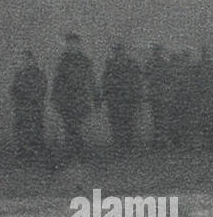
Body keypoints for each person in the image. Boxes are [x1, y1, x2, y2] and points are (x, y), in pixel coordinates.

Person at [51, 32, 97, 164]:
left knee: (77, 126)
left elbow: (91, 81)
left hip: (80, 99)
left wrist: (95, 97)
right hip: (66, 100)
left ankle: (78, 153)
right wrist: (55, 98)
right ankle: (72, 154)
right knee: (69, 126)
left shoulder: (84, 61)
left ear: (79, 45)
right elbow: (57, 81)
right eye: (69, 44)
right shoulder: (63, 61)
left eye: (74, 44)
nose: (72, 46)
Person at [101, 42, 143, 154]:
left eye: (121, 50)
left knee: (129, 122)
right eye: (116, 51)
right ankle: (118, 145)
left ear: (124, 51)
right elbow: (105, 81)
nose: (119, 53)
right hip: (115, 99)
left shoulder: (132, 64)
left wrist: (138, 96)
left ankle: (128, 146)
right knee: (116, 122)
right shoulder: (110, 64)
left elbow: (137, 80)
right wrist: (105, 95)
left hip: (129, 98)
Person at [10, 50, 48, 160]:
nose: (23, 62)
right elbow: (13, 90)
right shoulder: (19, 74)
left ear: (31, 60)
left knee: (35, 129)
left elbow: (41, 89)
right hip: (21, 107)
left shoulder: (38, 74)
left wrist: (29, 98)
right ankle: (23, 152)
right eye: (22, 59)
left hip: (33, 107)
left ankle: (35, 153)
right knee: (21, 129)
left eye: (26, 59)